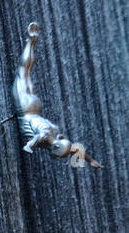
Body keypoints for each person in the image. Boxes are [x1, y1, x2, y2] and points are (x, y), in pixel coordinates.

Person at [11, 22, 100, 168]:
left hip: (35, 108)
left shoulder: (58, 135)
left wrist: (91, 161)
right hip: (25, 108)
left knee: (26, 72)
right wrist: (28, 146)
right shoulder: (47, 135)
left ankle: (31, 43)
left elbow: (76, 149)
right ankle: (30, 41)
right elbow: (37, 138)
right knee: (22, 72)